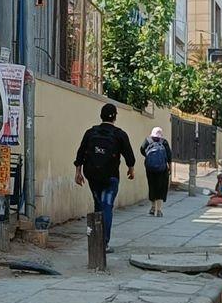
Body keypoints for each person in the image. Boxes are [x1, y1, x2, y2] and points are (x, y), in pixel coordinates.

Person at [74, 102, 135, 249]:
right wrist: (131, 169)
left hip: (92, 176)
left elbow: (81, 153)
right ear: (115, 117)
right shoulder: (120, 134)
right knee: (107, 207)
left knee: (98, 205)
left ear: (101, 115)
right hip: (111, 177)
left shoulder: (91, 133)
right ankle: (104, 242)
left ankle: (96, 240)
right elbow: (129, 156)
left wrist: (78, 172)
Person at [140, 126, 173, 216]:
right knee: (161, 188)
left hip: (150, 169)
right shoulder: (164, 142)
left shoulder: (147, 141)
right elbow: (169, 156)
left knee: (152, 186)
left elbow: (142, 150)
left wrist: (149, 157)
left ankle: (152, 207)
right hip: (162, 169)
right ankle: (159, 210)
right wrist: (170, 167)